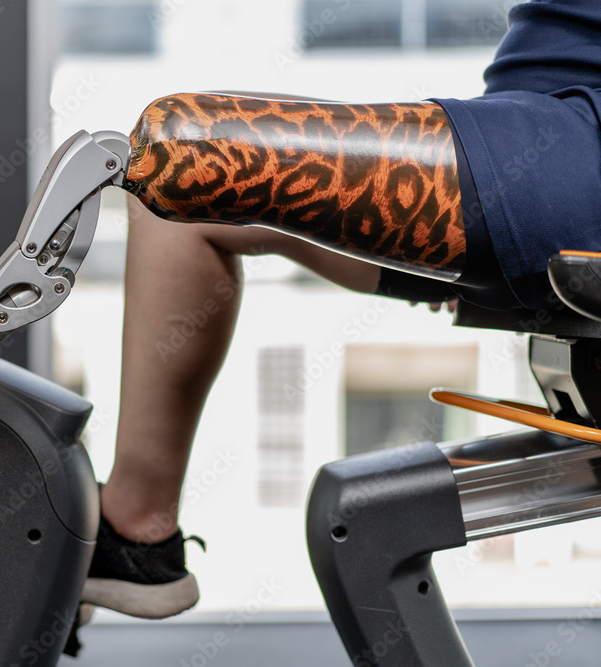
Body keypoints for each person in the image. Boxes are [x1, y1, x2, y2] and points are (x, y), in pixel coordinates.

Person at [80, 0, 601, 619]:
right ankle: (138, 543)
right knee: (178, 209)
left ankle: (135, 525)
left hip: (565, 163)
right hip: (510, 158)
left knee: (184, 148)